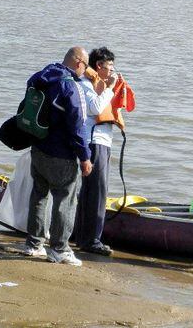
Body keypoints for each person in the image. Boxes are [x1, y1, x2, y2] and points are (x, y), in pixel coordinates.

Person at [22, 46, 93, 267]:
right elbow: (78, 125)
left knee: (39, 195)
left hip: (38, 147)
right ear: (79, 63)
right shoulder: (72, 86)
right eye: (86, 66)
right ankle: (59, 249)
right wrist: (85, 156)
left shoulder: (42, 76)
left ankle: (34, 244)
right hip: (61, 154)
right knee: (65, 199)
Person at [74, 46, 120, 256]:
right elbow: (95, 109)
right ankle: (91, 240)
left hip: (101, 141)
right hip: (94, 142)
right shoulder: (86, 83)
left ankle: (80, 235)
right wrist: (110, 88)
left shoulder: (95, 83)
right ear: (99, 66)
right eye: (110, 66)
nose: (112, 70)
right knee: (97, 191)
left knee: (90, 191)